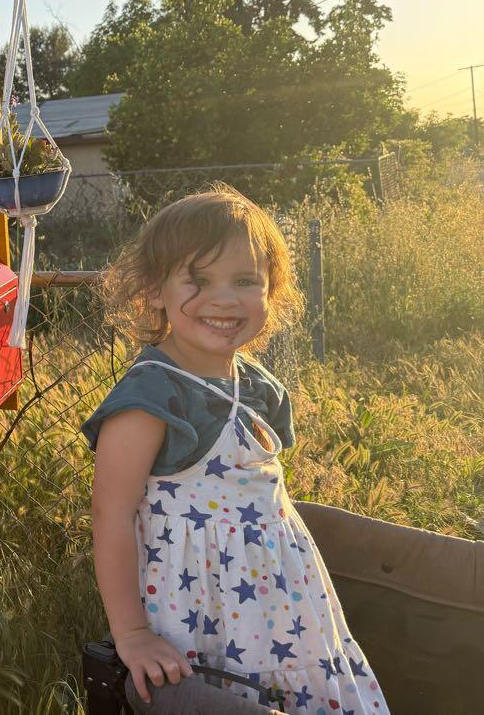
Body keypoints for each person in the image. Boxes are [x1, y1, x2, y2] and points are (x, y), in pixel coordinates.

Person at [83, 184, 389, 714]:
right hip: (198, 607)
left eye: (246, 281)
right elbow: (111, 516)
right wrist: (131, 633)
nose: (224, 299)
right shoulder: (153, 396)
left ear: (272, 291)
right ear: (155, 290)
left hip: (284, 603)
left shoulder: (260, 386)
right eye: (198, 281)